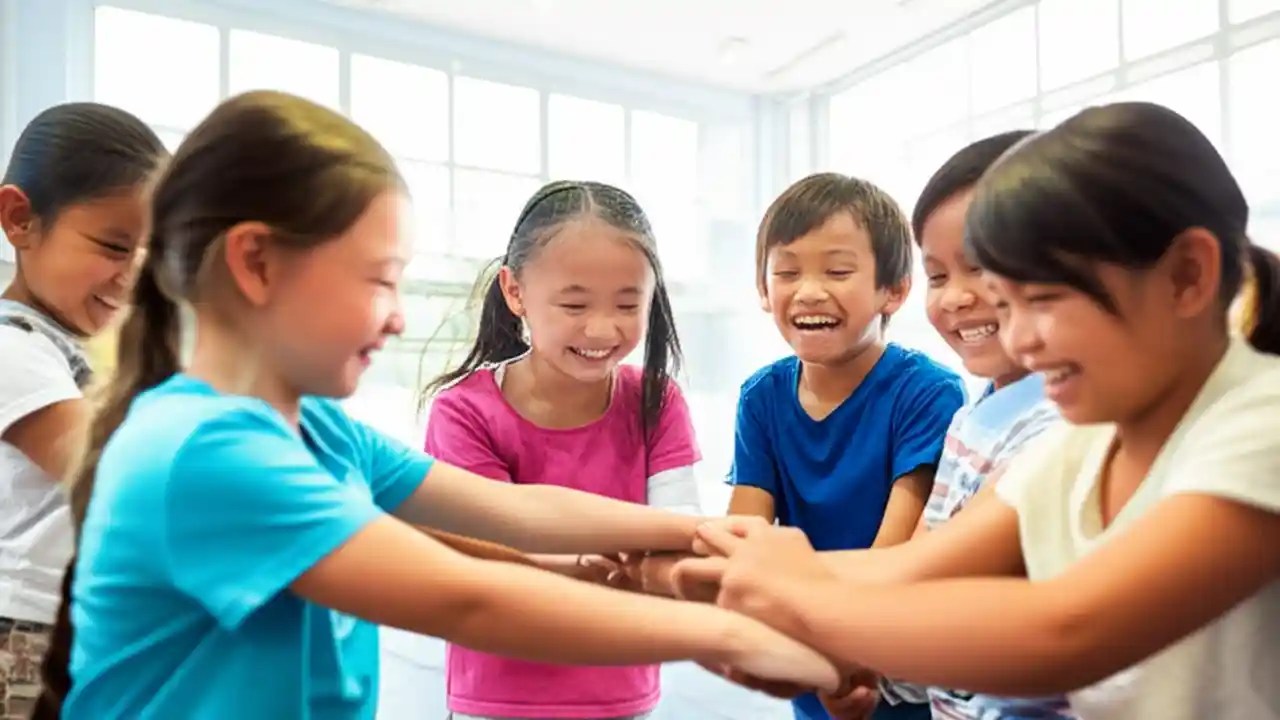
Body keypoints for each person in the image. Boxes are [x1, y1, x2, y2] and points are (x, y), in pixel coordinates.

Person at [42, 91, 839, 720]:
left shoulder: (315, 428)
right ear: (256, 263)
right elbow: (470, 598)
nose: (396, 315)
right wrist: (727, 633)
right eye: (379, 279)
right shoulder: (205, 451)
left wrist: (699, 529)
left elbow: (514, 510)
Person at [674, 102, 1280, 720]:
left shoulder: (1261, 425)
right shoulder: (1081, 444)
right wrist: (764, 595)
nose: (1019, 342)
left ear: (1186, 276)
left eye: (1042, 300)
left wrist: (796, 603)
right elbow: (913, 571)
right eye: (1009, 305)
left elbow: (1065, 634)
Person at [420, 179, 701, 720]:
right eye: (574, 304)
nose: (602, 328)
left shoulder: (656, 400)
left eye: (628, 303)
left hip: (622, 692)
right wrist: (589, 565)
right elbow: (487, 547)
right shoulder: (463, 412)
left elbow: (679, 521)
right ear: (515, 291)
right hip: (498, 698)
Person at [725, 173, 966, 720]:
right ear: (764, 291)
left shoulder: (929, 391)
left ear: (895, 289)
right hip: (809, 658)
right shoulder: (761, 397)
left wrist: (816, 629)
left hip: (897, 667)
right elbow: (743, 535)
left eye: (837, 271)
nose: (809, 291)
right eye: (786, 272)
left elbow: (898, 553)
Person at [869, 131, 1072, 719]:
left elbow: (931, 582)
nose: (956, 298)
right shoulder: (973, 409)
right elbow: (924, 555)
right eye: (937, 276)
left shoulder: (1060, 424)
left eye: (982, 268)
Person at [0, 102, 166, 719]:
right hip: (26, 636)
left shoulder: (75, 350)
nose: (130, 279)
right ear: (20, 219)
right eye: (113, 247)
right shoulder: (12, 347)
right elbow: (105, 470)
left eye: (147, 256)